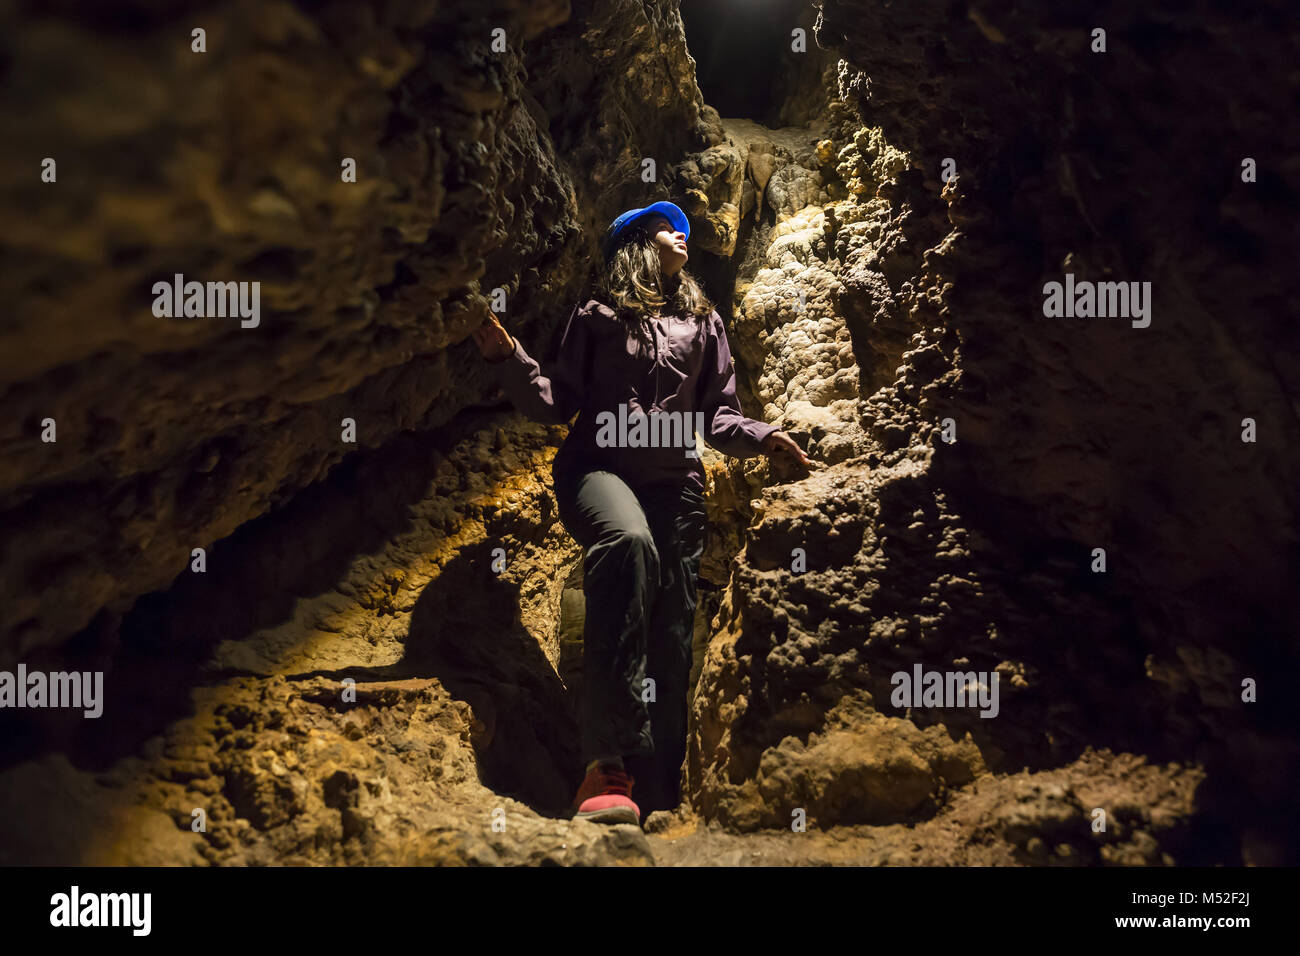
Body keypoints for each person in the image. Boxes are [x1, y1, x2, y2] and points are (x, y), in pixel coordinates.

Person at [472, 200, 810, 826]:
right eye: (666, 226)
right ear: (634, 245)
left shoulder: (704, 324)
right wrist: (509, 357)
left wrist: (764, 437)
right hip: (599, 472)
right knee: (628, 544)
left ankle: (660, 788)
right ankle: (604, 766)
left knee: (672, 623)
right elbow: (555, 401)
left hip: (676, 487)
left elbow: (718, 416)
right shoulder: (598, 317)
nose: (682, 233)